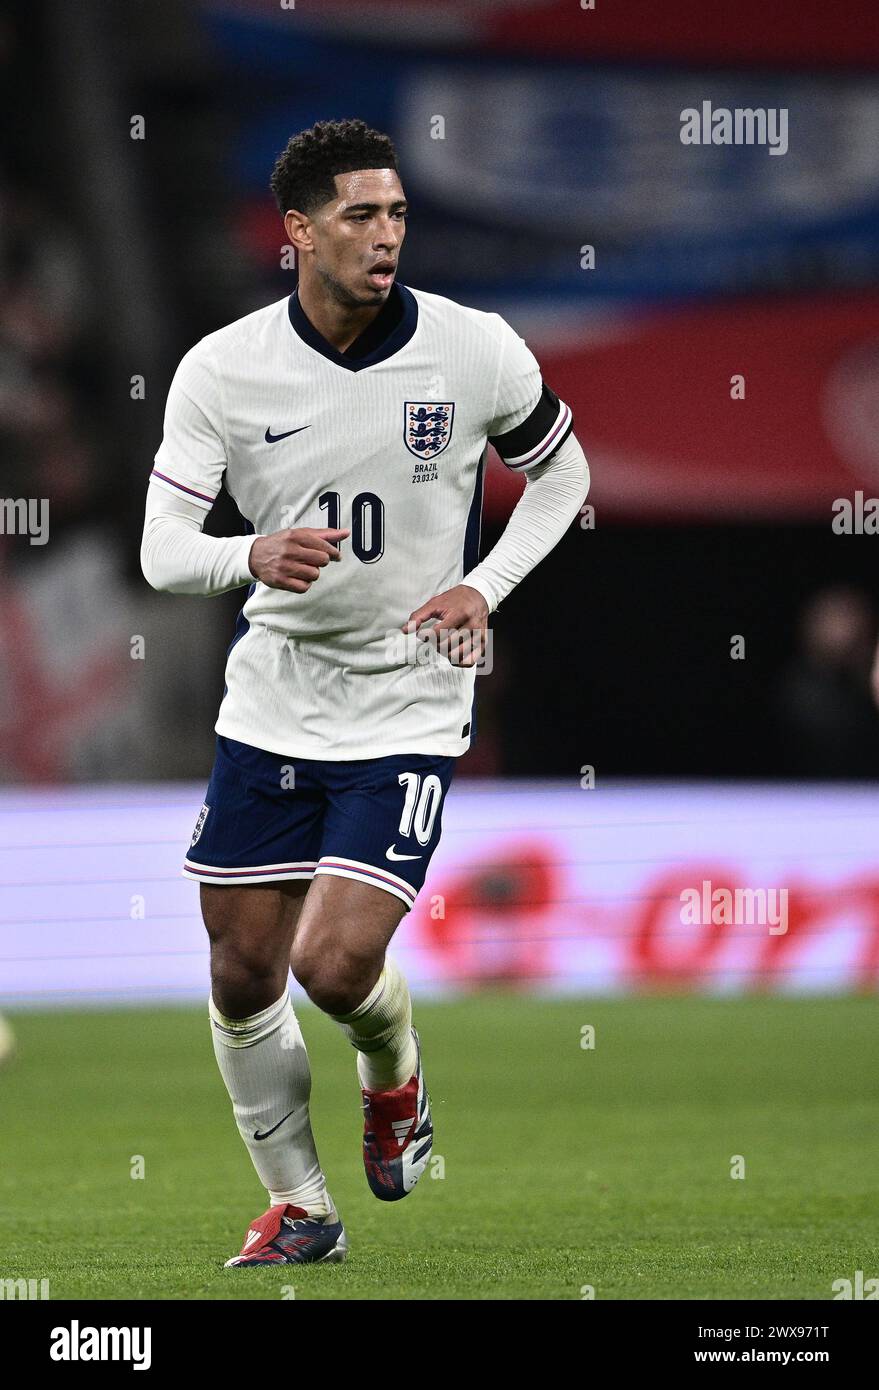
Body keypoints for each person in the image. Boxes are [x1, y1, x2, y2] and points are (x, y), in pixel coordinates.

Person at [140, 119, 590, 1267]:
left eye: (396, 213)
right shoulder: (224, 368)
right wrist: (249, 555)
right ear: (297, 231)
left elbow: (560, 473)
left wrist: (483, 587)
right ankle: (302, 1206)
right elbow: (158, 549)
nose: (385, 236)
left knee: (331, 965)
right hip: (274, 698)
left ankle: (395, 1073)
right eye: (359, 215)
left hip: (409, 696)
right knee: (242, 967)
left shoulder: (475, 348)